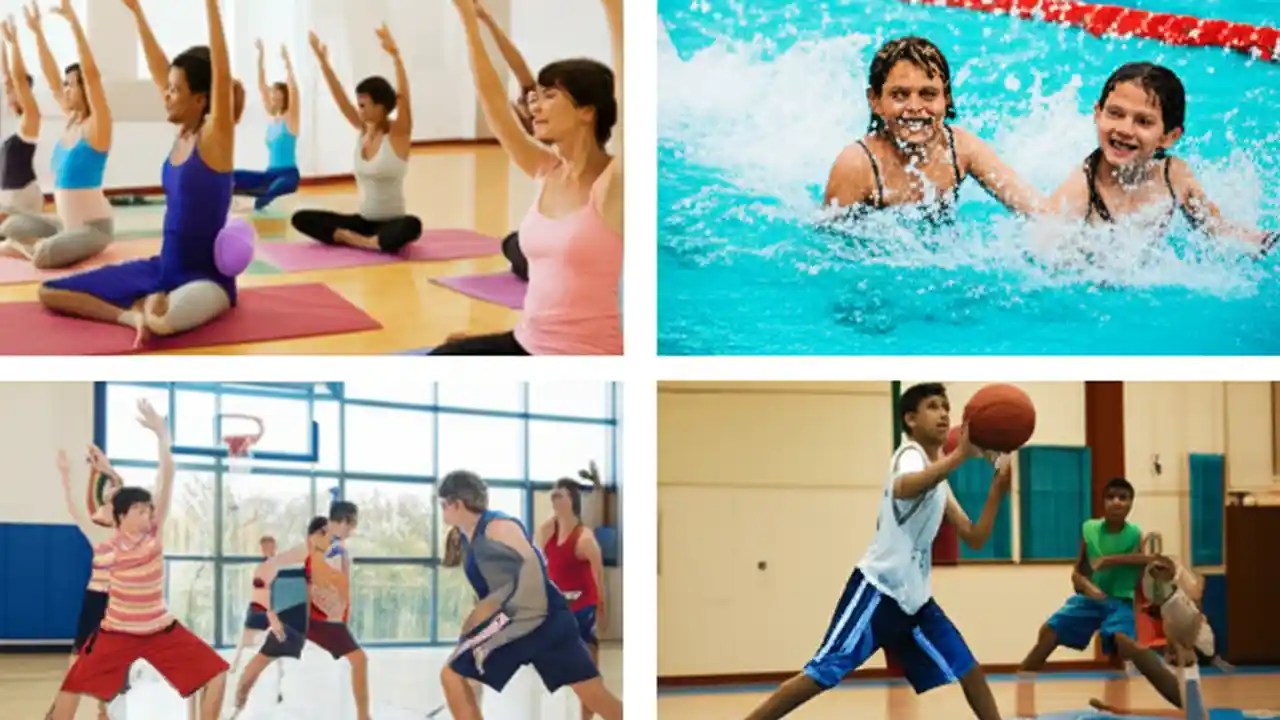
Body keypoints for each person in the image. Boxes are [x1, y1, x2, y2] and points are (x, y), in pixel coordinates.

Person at [743, 383, 1011, 720]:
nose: (944, 413)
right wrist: (959, 457)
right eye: (933, 406)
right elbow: (903, 488)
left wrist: (997, 491)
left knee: (969, 670)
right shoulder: (908, 455)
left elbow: (974, 537)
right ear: (910, 419)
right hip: (878, 590)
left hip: (915, 601)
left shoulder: (938, 476)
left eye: (946, 406)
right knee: (822, 673)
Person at [39, 0, 238, 348]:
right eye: (168, 87)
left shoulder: (215, 139)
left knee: (161, 323)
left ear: (201, 100)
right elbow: (160, 66)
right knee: (49, 292)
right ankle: (130, 314)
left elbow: (220, 72)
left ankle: (151, 307)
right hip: (163, 268)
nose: (166, 94)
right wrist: (137, 13)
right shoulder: (182, 133)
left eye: (175, 90)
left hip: (206, 279)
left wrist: (211, 7)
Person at [434, 0, 623, 356]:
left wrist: (615, 13)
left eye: (549, 96)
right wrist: (469, 23)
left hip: (580, 356)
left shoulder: (614, 184)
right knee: (444, 358)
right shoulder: (546, 170)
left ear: (587, 111)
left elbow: (629, 100)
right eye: (535, 96)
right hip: (528, 341)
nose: (534, 106)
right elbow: (492, 102)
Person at [49, 399, 229, 720]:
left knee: (217, 674)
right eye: (140, 510)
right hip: (116, 631)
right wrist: (68, 478)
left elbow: (167, 477)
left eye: (149, 510)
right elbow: (81, 508)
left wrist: (162, 436)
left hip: (160, 628)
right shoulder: (105, 540)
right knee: (72, 685)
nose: (148, 514)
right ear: (119, 517)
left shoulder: (153, 536)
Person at [437, 470, 622, 719]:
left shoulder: (498, 527)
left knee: (452, 675)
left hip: (536, 619)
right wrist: (471, 634)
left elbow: (533, 576)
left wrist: (495, 635)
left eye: (443, 504)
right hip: (534, 619)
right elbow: (492, 596)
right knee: (594, 693)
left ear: (457, 503)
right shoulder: (469, 537)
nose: (442, 510)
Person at [1043, 62, 1276, 256]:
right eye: (1115, 113)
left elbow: (1214, 226)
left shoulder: (1173, 174)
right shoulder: (1081, 189)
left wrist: (1261, 240)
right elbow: (1045, 245)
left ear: (1168, 137)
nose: (1125, 129)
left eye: (1143, 121)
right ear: (1097, 114)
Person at [823, 36, 1042, 225]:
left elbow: (1036, 211)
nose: (915, 107)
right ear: (875, 101)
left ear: (946, 99)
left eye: (928, 94)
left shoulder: (960, 148)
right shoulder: (857, 166)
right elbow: (831, 247)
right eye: (900, 95)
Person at [1015, 477, 1184, 717]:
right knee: (1047, 635)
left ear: (1130, 504)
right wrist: (1085, 585)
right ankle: (1021, 709)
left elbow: (1148, 563)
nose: (1116, 502)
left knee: (1128, 645)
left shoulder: (1135, 534)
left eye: (1123, 498)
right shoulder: (1090, 528)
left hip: (1120, 603)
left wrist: (1112, 561)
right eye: (1111, 497)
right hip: (1090, 601)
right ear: (1103, 502)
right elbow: (1077, 572)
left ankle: (1186, 703)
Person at [0, 0, 114, 269]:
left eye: (71, 85)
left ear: (86, 90)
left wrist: (74, 22)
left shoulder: (98, 125)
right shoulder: (71, 119)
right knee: (13, 224)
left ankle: (29, 248)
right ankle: (24, 245)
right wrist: (37, 34)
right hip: (65, 224)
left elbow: (93, 76)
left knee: (45, 256)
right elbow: (51, 76)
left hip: (93, 228)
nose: (65, 89)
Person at [293, 26, 422, 254]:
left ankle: (359, 240)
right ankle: (364, 240)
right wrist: (323, 62)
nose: (359, 110)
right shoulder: (363, 131)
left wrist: (396, 57)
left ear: (381, 107)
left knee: (412, 226)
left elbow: (404, 97)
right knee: (301, 218)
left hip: (392, 222)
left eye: (363, 105)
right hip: (362, 222)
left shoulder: (398, 135)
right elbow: (340, 98)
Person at [239, 502, 371, 720]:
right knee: (265, 658)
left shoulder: (340, 550)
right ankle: (238, 699)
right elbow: (279, 563)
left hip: (322, 620)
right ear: (342, 521)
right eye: (351, 524)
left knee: (358, 660)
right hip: (307, 617)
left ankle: (364, 717)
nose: (352, 529)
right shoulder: (316, 543)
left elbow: (338, 587)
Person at [52, 445, 123, 720]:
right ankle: (63, 709)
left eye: (109, 502)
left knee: (111, 659)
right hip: (96, 599)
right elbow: (72, 505)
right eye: (103, 502)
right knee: (78, 658)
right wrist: (65, 475)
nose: (104, 505)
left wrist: (105, 467)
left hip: (118, 601)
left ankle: (104, 710)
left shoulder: (128, 533)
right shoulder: (96, 532)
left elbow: (120, 487)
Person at [536, 478, 608, 720]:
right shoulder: (546, 531)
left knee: (587, 675)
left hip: (583, 609)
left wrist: (601, 610)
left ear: (572, 501)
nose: (555, 500)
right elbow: (543, 569)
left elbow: (598, 575)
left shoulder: (585, 539)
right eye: (553, 496)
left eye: (560, 496)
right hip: (559, 609)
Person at [232, 40, 301, 211]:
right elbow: (261, 85)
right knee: (232, 176)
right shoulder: (272, 119)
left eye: (278, 96)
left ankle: (255, 203)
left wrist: (288, 64)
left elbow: (294, 91)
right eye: (273, 95)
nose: (273, 98)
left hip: (288, 175)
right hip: (269, 173)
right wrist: (261, 56)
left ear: (284, 98)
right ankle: (245, 198)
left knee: (275, 189)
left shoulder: (290, 119)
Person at [0, 19, 42, 229]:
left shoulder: (31, 119)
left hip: (23, 199)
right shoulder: (14, 120)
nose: (7, 92)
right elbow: (8, 75)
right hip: (8, 199)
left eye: (12, 89)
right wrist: (3, 42)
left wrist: (15, 43)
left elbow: (16, 78)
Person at [229, 535, 281, 674]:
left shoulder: (276, 566)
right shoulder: (263, 566)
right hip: (257, 606)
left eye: (268, 546)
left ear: (274, 547)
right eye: (263, 547)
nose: (265, 550)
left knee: (278, 638)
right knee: (245, 638)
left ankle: (280, 671)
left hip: (270, 608)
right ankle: (235, 665)